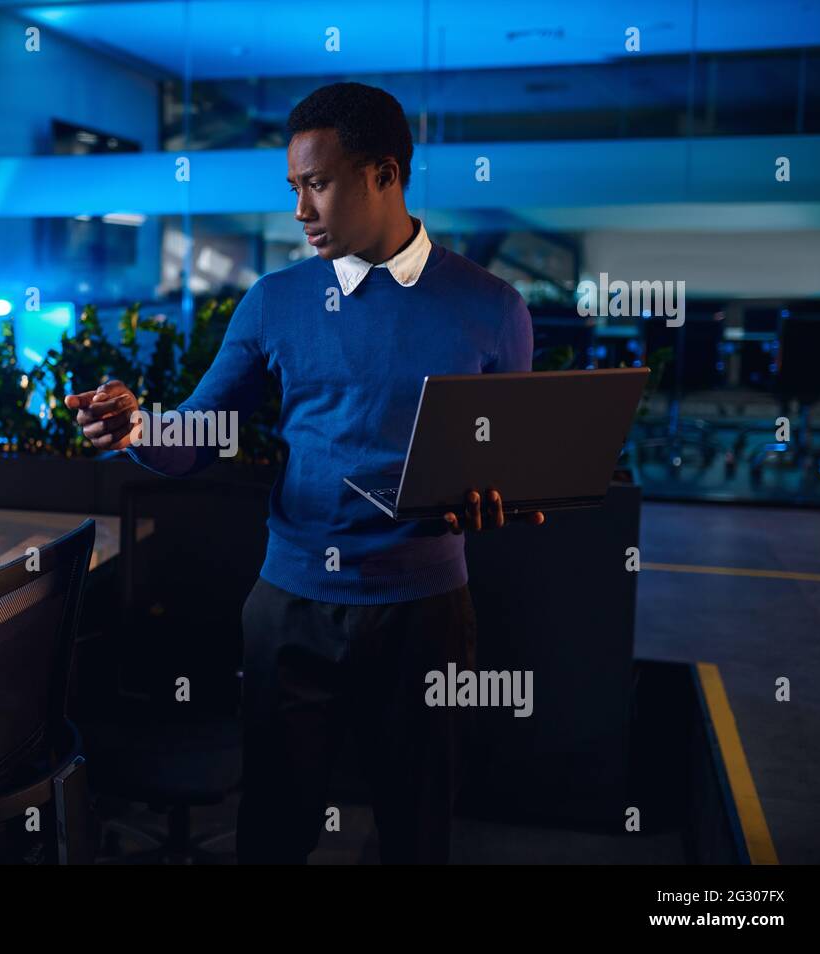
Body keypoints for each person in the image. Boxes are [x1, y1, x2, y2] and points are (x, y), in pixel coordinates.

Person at [65, 82, 546, 864]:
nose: (300, 209)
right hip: (290, 606)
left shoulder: (492, 308)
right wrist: (137, 427)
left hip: (425, 612)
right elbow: (201, 434)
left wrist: (502, 502)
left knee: (417, 831)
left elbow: (507, 471)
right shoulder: (274, 301)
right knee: (275, 832)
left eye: (316, 184)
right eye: (293, 187)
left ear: (384, 174)